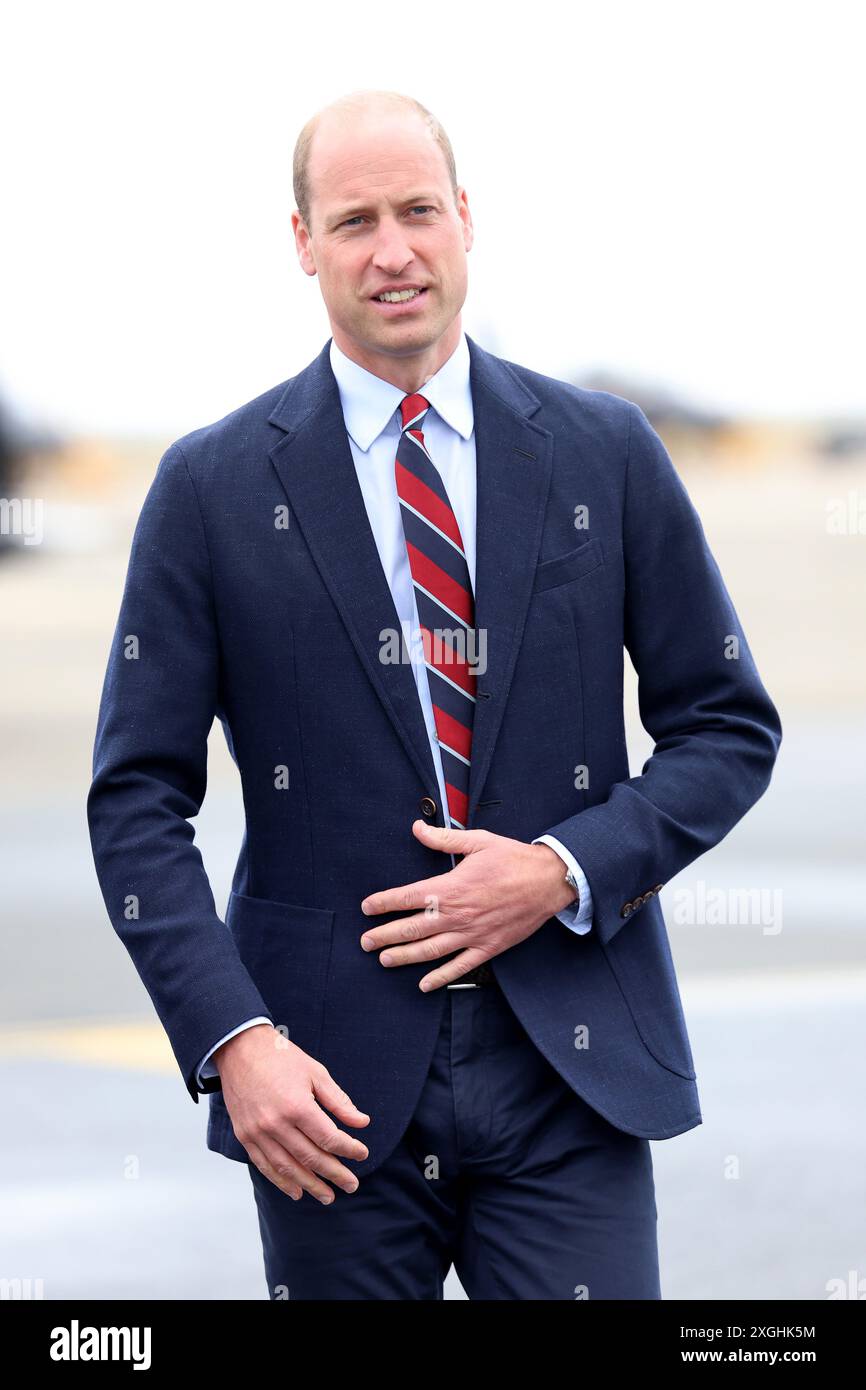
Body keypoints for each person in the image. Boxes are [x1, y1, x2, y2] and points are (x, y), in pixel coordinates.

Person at [87, 88, 782, 1300]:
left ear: (465, 218)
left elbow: (725, 725)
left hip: (573, 1059)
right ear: (301, 243)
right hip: (324, 1092)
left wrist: (562, 868)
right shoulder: (206, 488)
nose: (392, 249)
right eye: (353, 220)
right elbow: (134, 799)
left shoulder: (601, 453)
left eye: (417, 210)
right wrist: (232, 1043)